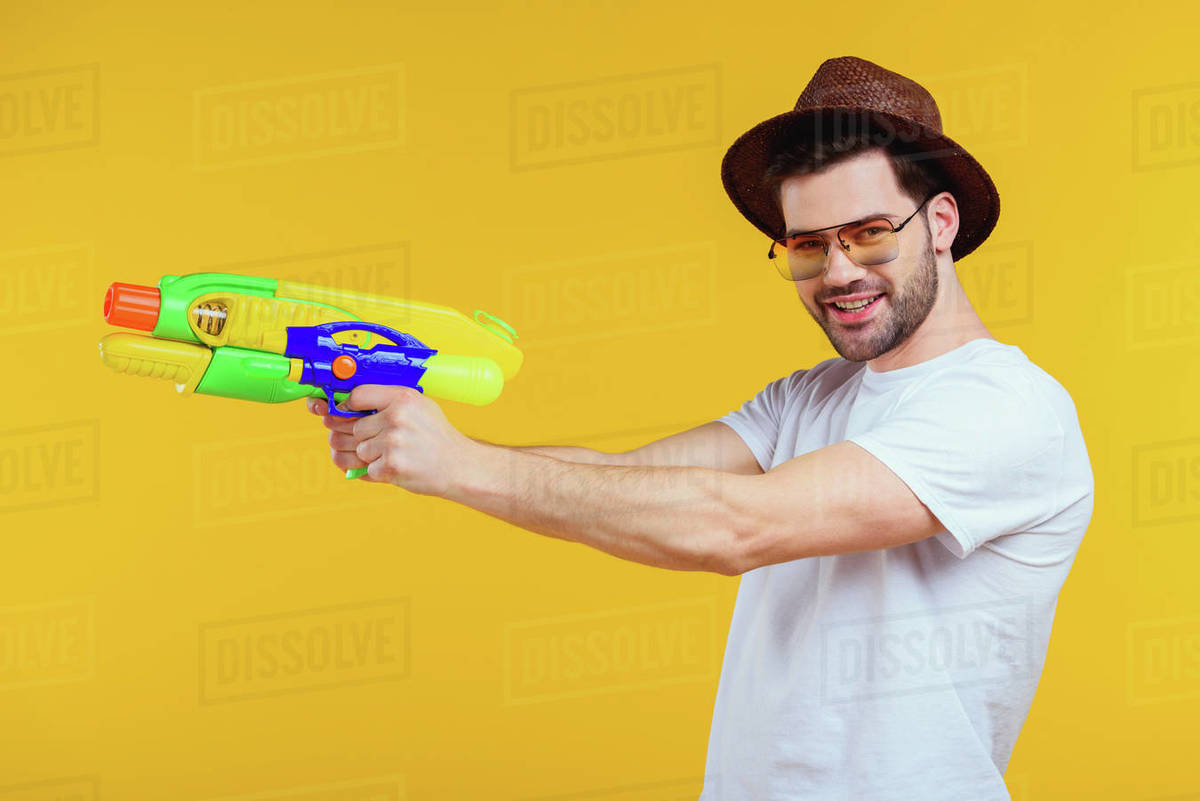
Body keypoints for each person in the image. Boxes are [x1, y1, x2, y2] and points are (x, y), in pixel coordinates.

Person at [306, 56, 1095, 801]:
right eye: (808, 245)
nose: (840, 270)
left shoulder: (1010, 406)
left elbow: (736, 526)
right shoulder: (808, 398)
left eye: (870, 233)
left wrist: (460, 464)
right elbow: (626, 476)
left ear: (942, 222)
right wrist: (416, 437)